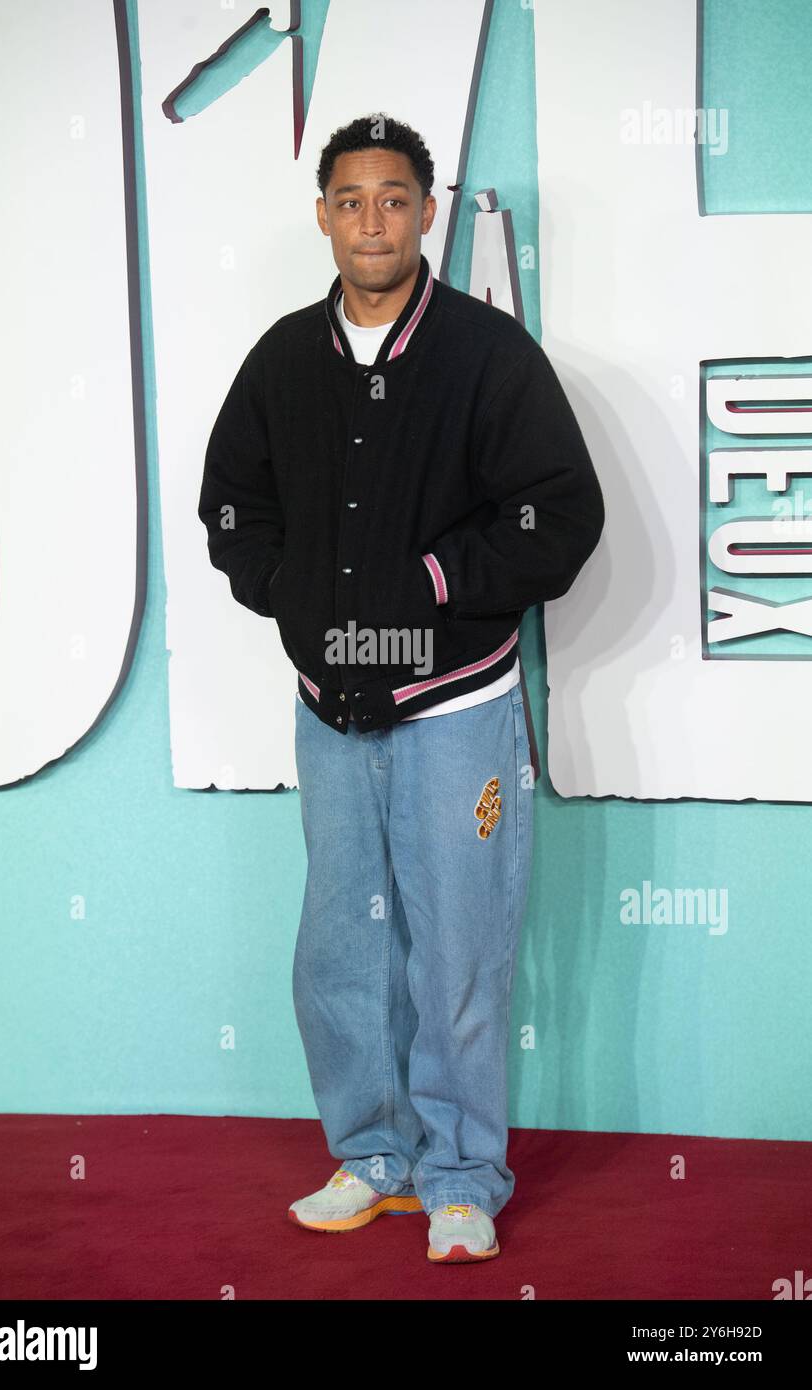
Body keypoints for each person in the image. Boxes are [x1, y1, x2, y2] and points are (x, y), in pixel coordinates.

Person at [198, 114, 604, 1264]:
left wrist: (429, 579)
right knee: (338, 947)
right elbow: (232, 506)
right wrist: (287, 588)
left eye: (393, 198)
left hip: (454, 709)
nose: (371, 220)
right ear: (321, 215)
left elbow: (558, 515)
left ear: (426, 212)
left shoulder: (485, 353)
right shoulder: (283, 358)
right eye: (348, 199)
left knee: (458, 946)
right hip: (330, 711)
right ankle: (371, 1155)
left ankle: (461, 1175)